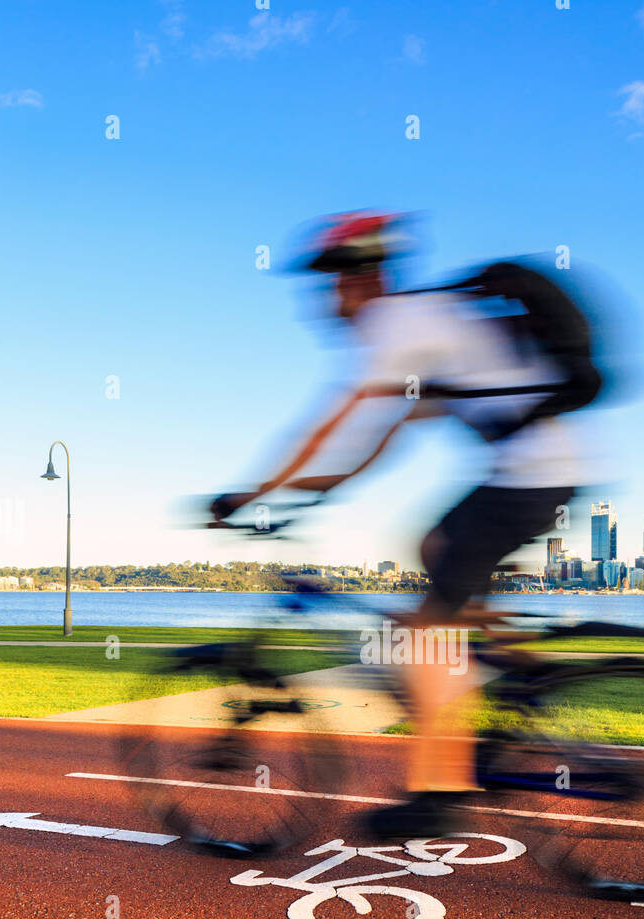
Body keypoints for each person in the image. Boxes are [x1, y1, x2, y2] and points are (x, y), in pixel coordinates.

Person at [211, 211, 580, 836]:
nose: (327, 296)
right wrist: (325, 488)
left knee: (424, 643)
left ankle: (440, 794)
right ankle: (515, 673)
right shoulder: (428, 323)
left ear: (362, 278)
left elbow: (333, 421)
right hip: (535, 473)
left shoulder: (397, 322)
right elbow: (389, 431)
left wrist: (249, 493)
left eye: (332, 280)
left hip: (530, 477)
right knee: (431, 544)